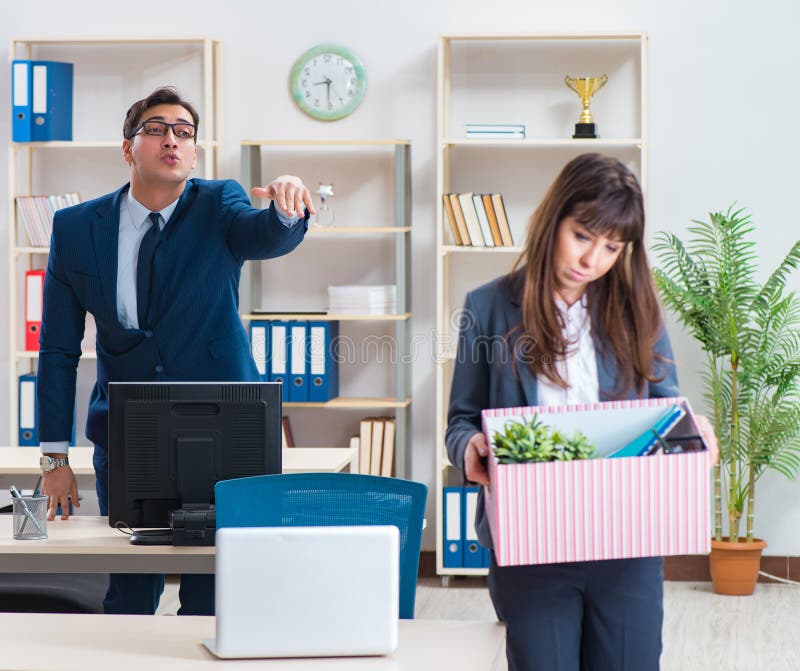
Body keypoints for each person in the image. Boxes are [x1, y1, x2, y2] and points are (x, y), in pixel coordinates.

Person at [36, 86, 315, 616]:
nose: (172, 140)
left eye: (184, 132)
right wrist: (54, 457)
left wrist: (286, 207)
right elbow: (56, 351)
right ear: (128, 147)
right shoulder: (76, 228)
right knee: (129, 593)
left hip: (227, 427)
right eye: (157, 128)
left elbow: (264, 236)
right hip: (129, 430)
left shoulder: (219, 203)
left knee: (216, 593)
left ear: (194, 150)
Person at [445, 153, 718, 671]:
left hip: (627, 539)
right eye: (583, 236)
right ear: (554, 220)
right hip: (532, 548)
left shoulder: (640, 310)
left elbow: (665, 415)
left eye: (611, 247)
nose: (592, 259)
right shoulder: (486, 307)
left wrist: (693, 434)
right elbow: (461, 421)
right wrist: (470, 449)